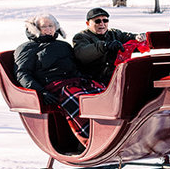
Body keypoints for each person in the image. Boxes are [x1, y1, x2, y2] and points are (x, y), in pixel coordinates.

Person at [14, 13, 104, 141]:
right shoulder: (27, 48)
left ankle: (113, 131)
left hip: (77, 81)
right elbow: (22, 73)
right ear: (36, 28)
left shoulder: (64, 46)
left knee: (104, 93)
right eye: (45, 26)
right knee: (77, 98)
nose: (49, 29)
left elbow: (77, 65)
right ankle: (92, 138)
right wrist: (41, 92)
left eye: (51, 25)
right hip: (54, 86)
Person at [73, 7, 146, 85]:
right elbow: (83, 54)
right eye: (97, 21)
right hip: (93, 80)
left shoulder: (114, 34)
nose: (102, 23)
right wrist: (104, 46)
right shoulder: (81, 37)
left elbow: (128, 38)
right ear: (88, 24)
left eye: (105, 20)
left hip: (115, 77)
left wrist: (138, 37)